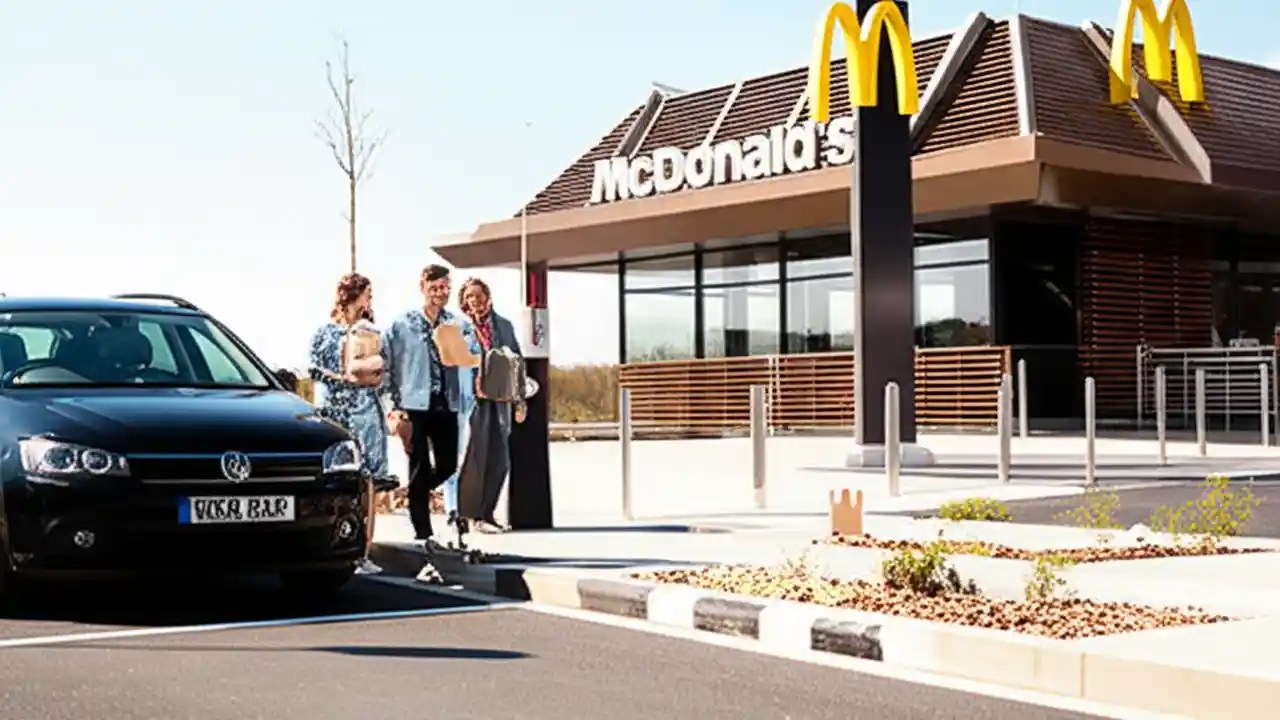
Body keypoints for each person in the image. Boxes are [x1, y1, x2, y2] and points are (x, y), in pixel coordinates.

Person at [381, 264, 467, 582]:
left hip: (446, 403)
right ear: (423, 287)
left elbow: (467, 359)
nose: (440, 292)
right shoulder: (402, 324)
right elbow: (387, 365)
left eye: (445, 287)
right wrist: (394, 406)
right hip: (414, 405)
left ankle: (414, 494)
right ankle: (423, 531)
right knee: (418, 464)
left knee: (447, 466)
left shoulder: (456, 324)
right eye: (435, 287)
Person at [307, 272, 392, 576]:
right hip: (336, 415)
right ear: (355, 296)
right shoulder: (326, 333)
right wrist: (346, 374)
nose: (370, 301)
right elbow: (316, 369)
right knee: (340, 482)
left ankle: (364, 549)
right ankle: (335, 544)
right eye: (367, 294)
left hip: (364, 413)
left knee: (367, 483)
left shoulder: (369, 331)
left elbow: (380, 372)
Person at [455, 276, 525, 535]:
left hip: (499, 399)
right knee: (475, 456)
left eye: (479, 296)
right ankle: (467, 514)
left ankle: (487, 513)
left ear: (488, 297)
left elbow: (517, 362)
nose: (476, 301)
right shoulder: (459, 328)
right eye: (470, 297)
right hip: (472, 400)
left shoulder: (503, 326)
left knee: (499, 459)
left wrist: (519, 400)